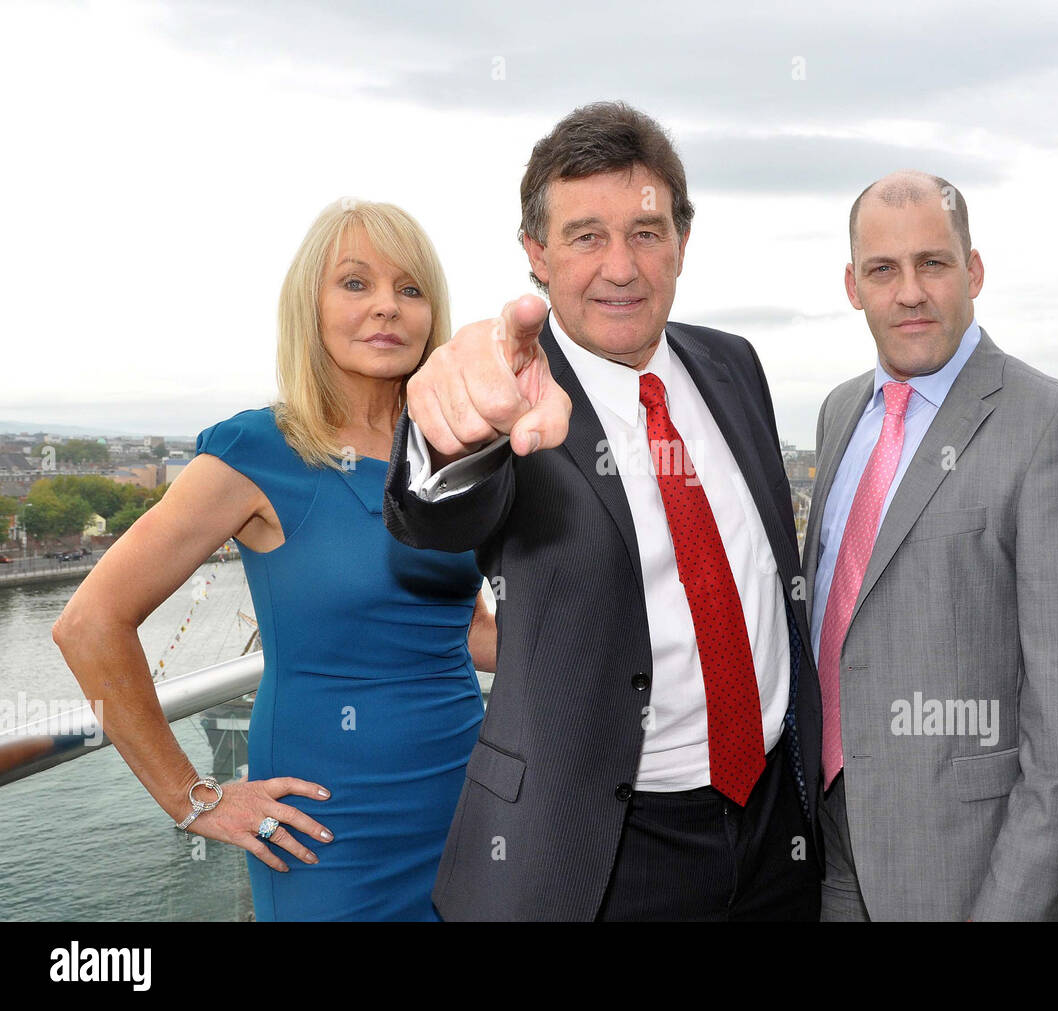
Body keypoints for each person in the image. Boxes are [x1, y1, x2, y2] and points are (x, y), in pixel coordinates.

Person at [382, 101, 821, 921]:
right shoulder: (520, 395)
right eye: (586, 236)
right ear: (535, 256)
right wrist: (454, 438)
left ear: (683, 244)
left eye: (646, 233)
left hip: (774, 830)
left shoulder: (734, 365)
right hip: (602, 853)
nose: (621, 267)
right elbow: (433, 517)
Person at [53, 198, 496, 921]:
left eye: (410, 288)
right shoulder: (258, 450)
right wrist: (194, 798)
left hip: (467, 801)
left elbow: (462, 626)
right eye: (355, 283)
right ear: (309, 308)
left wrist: (618, 661)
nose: (387, 306)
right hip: (327, 834)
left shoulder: (453, 451)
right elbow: (88, 622)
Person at [804, 171, 1058, 921]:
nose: (909, 291)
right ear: (853, 286)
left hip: (966, 878)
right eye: (883, 270)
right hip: (828, 860)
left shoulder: (1057, 427)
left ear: (973, 271)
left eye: (934, 263)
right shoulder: (839, 412)